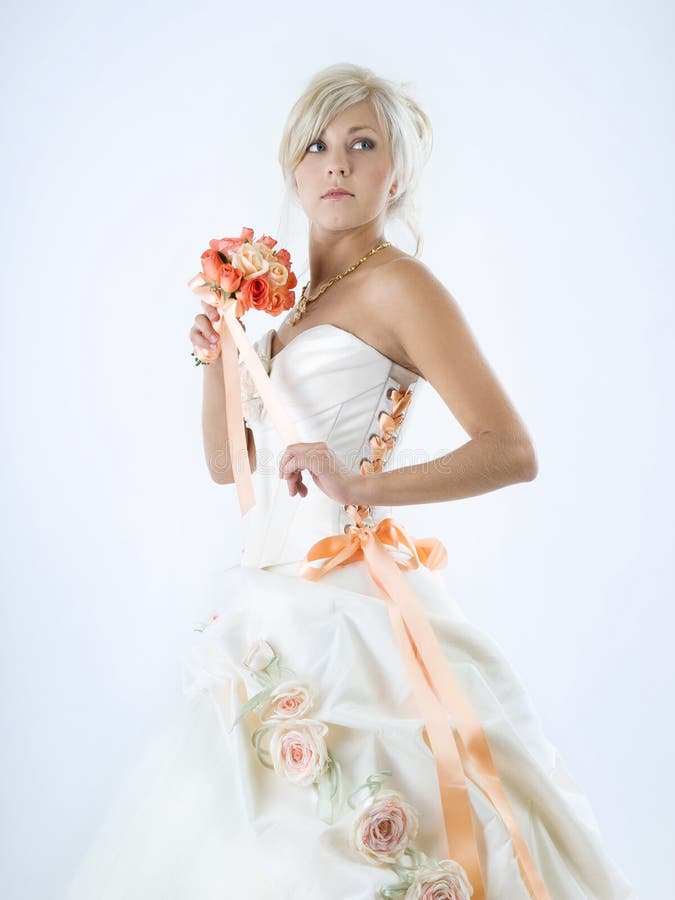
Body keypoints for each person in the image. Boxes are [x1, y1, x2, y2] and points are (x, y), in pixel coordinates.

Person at [64, 63, 635, 900]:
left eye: (362, 145)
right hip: (271, 595)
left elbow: (510, 449)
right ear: (293, 169)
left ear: (392, 173)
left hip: (352, 604)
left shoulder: (399, 285)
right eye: (318, 145)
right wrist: (216, 363)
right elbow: (231, 468)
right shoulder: (292, 310)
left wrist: (362, 490)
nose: (337, 163)